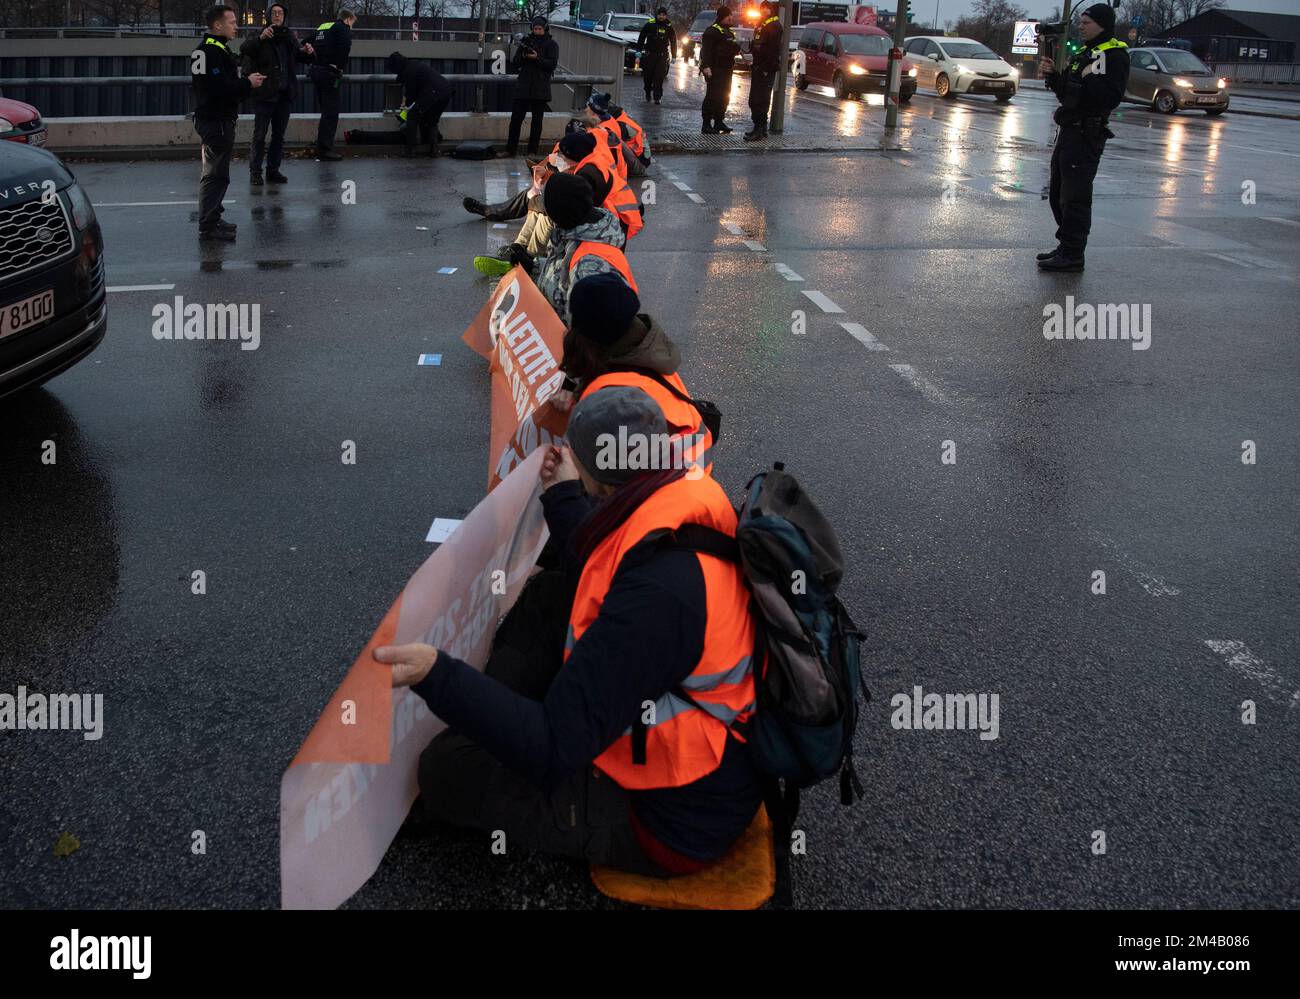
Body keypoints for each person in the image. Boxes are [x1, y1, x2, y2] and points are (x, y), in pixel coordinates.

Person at [378, 384, 761, 878]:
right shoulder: (677, 488)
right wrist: (562, 495)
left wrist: (438, 675)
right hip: (686, 738)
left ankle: (475, 744)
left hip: (671, 818)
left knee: (445, 769)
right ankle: (494, 718)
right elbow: (602, 560)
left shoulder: (658, 597)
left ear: (598, 479)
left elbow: (553, 747)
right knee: (550, 595)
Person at [560, 273, 715, 476]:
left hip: (664, 495)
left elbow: (597, 481)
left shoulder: (609, 398)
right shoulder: (648, 360)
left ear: (581, 337)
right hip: (696, 485)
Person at [1037, 4, 1129, 272]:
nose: (1081, 26)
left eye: (1086, 23)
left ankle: (1073, 254)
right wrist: (1054, 76)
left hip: (1086, 134)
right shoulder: (1084, 54)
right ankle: (1065, 246)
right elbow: (1068, 95)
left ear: (1101, 24)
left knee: (1075, 196)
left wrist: (1085, 81)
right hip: (1068, 131)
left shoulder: (1113, 54)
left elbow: (1109, 97)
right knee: (1057, 194)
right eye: (1081, 22)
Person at [191, 5, 265, 241]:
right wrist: (247, 84)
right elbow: (218, 89)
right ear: (217, 25)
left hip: (212, 119)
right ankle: (208, 225)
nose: (236, 26)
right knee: (215, 175)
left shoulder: (208, 49)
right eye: (232, 22)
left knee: (217, 174)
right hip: (216, 121)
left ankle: (213, 217)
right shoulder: (213, 52)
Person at [536, 172, 635, 323]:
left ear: (561, 216)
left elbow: (585, 331)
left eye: (548, 213)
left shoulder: (588, 267)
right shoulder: (582, 231)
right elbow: (564, 270)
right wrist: (534, 265)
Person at [240, 2, 311, 185]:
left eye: (280, 13)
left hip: (284, 93)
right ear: (269, 16)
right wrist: (261, 38)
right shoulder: (259, 34)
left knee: (279, 135)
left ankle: (273, 170)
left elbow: (298, 57)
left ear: (284, 16)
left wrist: (308, 52)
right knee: (260, 135)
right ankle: (255, 172)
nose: (277, 16)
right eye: (274, 13)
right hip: (265, 94)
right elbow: (245, 49)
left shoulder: (288, 37)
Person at [505, 16, 559, 158]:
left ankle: (532, 151)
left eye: (540, 29)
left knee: (537, 122)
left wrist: (537, 58)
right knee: (516, 119)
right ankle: (510, 149)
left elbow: (551, 64)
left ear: (545, 28)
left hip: (540, 88)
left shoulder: (551, 45)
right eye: (535, 29)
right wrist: (524, 55)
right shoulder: (525, 42)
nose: (537, 31)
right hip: (524, 86)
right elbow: (515, 62)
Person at [306, 8, 356, 161]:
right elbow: (346, 46)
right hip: (329, 73)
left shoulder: (324, 26)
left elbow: (306, 42)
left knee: (325, 111)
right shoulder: (343, 28)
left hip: (316, 71)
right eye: (352, 23)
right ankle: (324, 150)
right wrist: (339, 66)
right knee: (331, 113)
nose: (351, 26)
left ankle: (321, 145)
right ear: (348, 19)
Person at [386, 51, 453, 157]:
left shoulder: (408, 72)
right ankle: (434, 149)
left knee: (412, 116)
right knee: (432, 120)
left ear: (396, 66)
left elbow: (411, 94)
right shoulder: (413, 65)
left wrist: (406, 111)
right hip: (445, 91)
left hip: (432, 92)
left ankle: (411, 150)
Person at [698, 7, 740, 135]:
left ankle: (719, 121)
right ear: (723, 16)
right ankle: (706, 124)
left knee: (724, 96)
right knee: (713, 96)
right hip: (715, 69)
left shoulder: (728, 32)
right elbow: (706, 52)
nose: (731, 18)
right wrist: (706, 67)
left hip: (727, 69)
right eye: (729, 16)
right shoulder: (712, 31)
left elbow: (734, 47)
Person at [745, 0, 782, 142]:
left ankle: (759, 130)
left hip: (765, 68)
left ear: (770, 10)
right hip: (759, 65)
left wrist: (766, 67)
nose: (763, 11)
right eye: (762, 9)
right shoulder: (763, 24)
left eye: (766, 9)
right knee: (755, 99)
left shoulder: (774, 26)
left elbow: (772, 50)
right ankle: (759, 128)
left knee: (761, 99)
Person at [636, 8, 677, 104]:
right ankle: (647, 91)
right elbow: (642, 37)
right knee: (648, 76)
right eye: (660, 15)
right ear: (657, 15)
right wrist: (638, 50)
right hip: (650, 54)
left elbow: (673, 41)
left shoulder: (668, 26)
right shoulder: (650, 24)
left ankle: (657, 97)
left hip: (662, 55)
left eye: (663, 15)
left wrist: (674, 55)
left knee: (659, 76)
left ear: (666, 16)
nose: (661, 17)